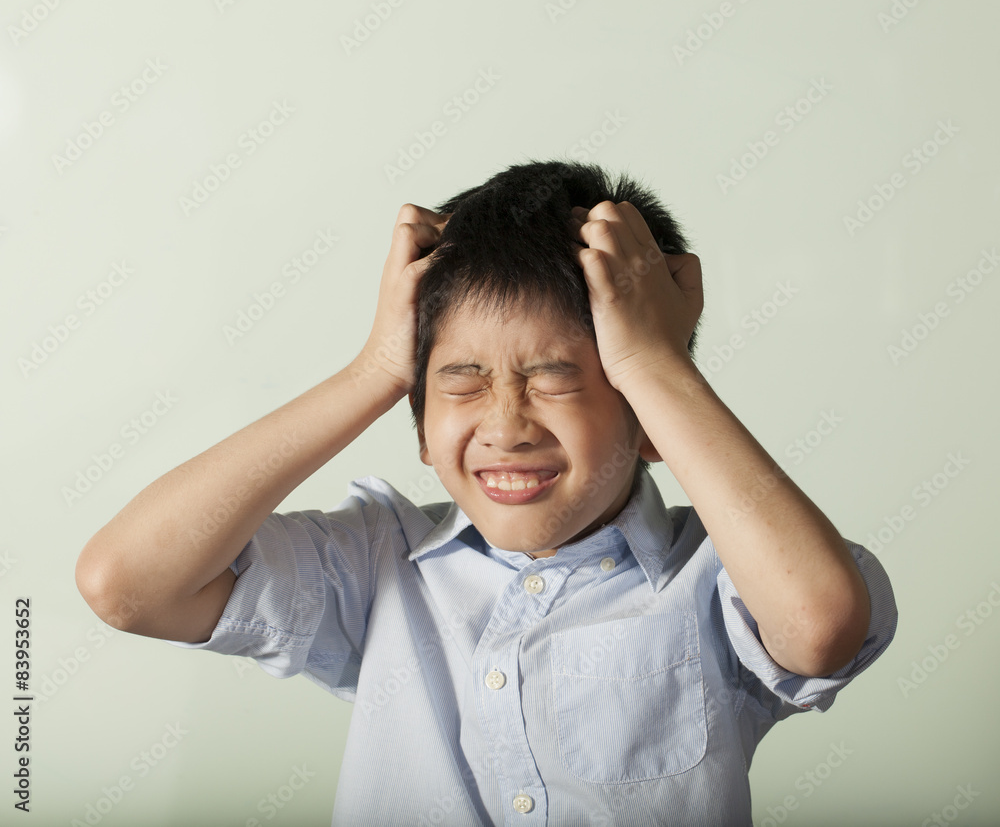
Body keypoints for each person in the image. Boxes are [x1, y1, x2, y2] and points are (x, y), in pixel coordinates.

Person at [76, 160, 897, 826]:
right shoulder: (377, 566)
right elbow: (126, 583)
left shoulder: (717, 579)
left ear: (651, 418)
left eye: (555, 379)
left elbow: (820, 624)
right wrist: (371, 372)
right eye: (462, 384)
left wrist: (656, 362)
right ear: (421, 427)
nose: (506, 425)